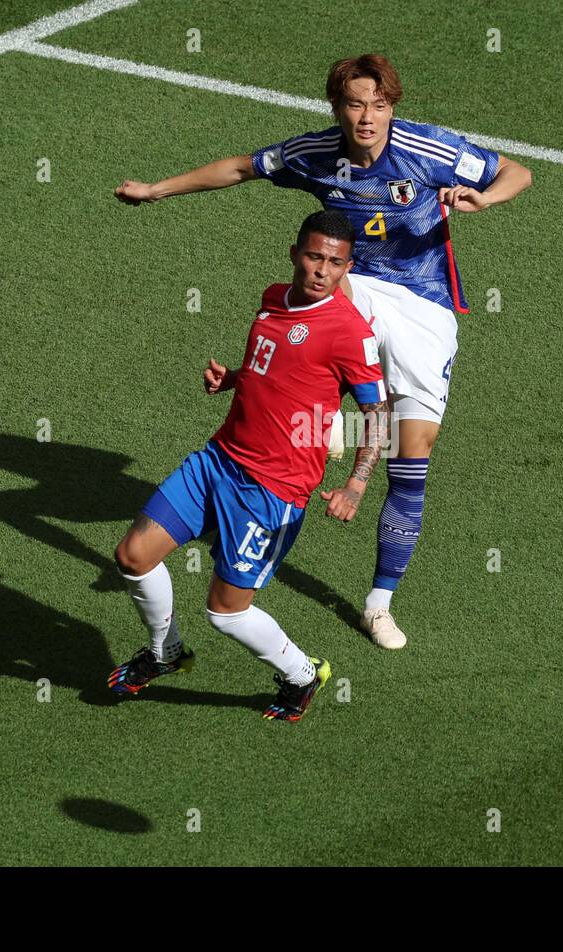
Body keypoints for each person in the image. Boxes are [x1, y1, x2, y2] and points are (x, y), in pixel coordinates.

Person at [114, 54, 532, 650]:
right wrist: (158, 189)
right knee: (318, 315)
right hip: (354, 284)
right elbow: (240, 168)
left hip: (423, 305)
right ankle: (333, 419)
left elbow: (518, 171)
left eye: (379, 105)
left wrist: (486, 200)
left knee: (412, 454)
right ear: (337, 108)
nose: (368, 117)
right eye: (356, 104)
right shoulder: (314, 153)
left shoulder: (430, 149)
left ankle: (379, 602)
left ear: (393, 107)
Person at [108, 210, 388, 722]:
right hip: (218, 460)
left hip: (272, 491)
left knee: (225, 612)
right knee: (133, 556)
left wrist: (355, 485)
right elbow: (277, 367)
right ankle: (165, 651)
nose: (321, 269)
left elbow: (379, 412)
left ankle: (303, 674)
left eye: (334, 262)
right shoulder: (272, 297)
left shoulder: (349, 332)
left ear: (347, 267)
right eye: (313, 256)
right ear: (294, 253)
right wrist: (235, 378)